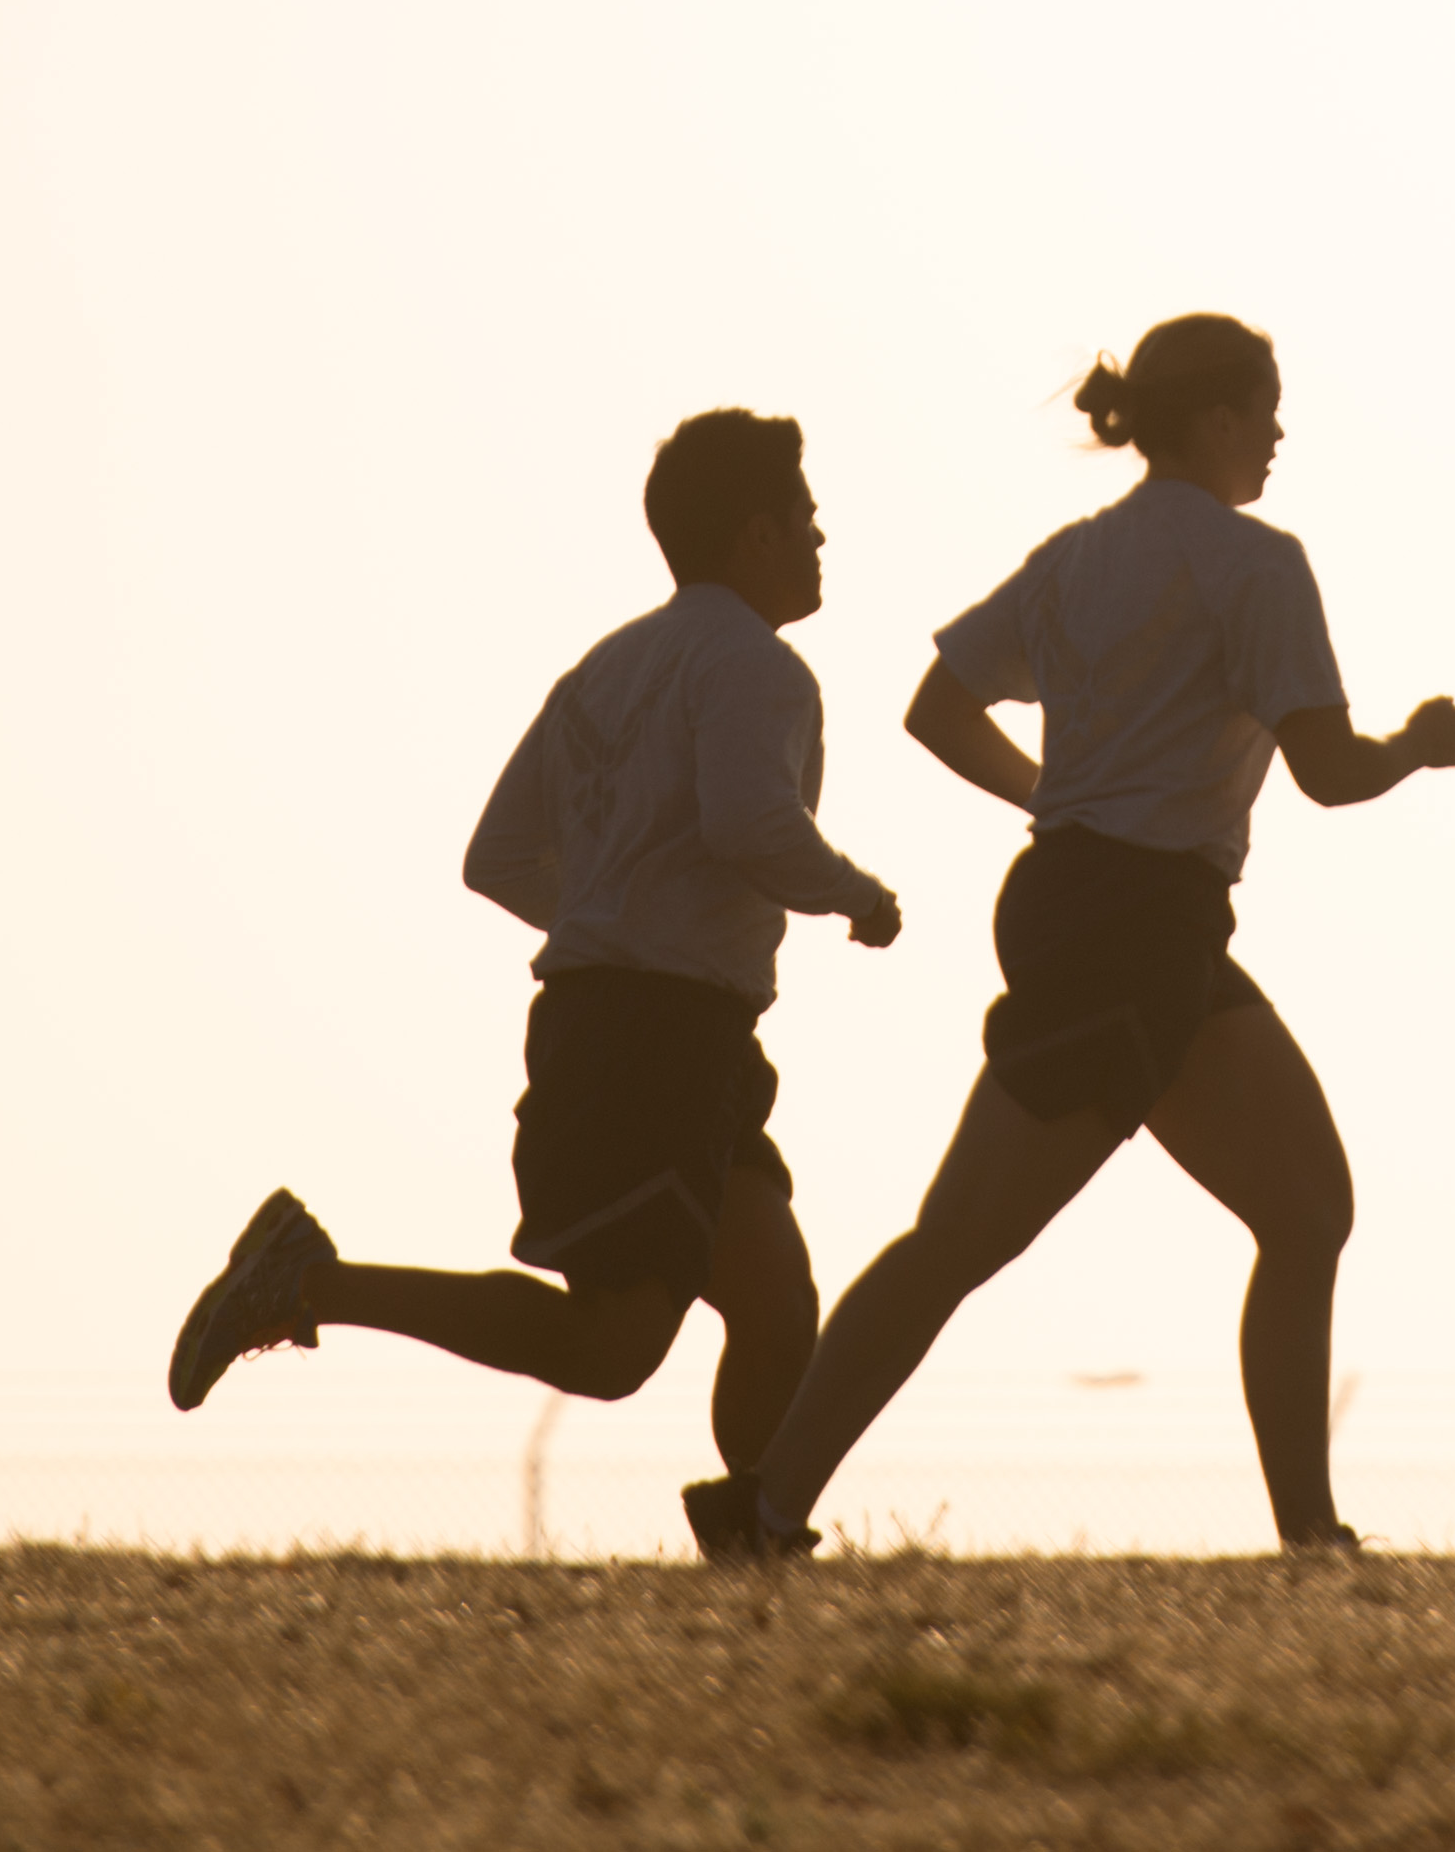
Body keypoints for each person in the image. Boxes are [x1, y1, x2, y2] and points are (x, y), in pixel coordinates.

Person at [710, 314, 1455, 1560]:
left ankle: (1309, 1534)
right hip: (1140, 922)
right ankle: (765, 1502)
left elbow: (938, 707)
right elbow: (1326, 772)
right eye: (1267, 410)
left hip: (1105, 912)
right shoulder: (1256, 564)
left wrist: (1059, 806)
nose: (1278, 435)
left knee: (1305, 1207)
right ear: (1219, 419)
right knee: (964, 1238)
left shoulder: (1078, 557)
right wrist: (1415, 747)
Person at [164, 409, 905, 1557]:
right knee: (611, 1349)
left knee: (774, 1298)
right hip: (654, 1041)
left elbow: (499, 856)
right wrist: (858, 894)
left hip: (648, 1033)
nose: (821, 540)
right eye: (806, 520)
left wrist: (613, 914)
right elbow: (753, 823)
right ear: (756, 534)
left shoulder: (606, 671)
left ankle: (755, 1526)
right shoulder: (762, 668)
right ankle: (308, 1281)